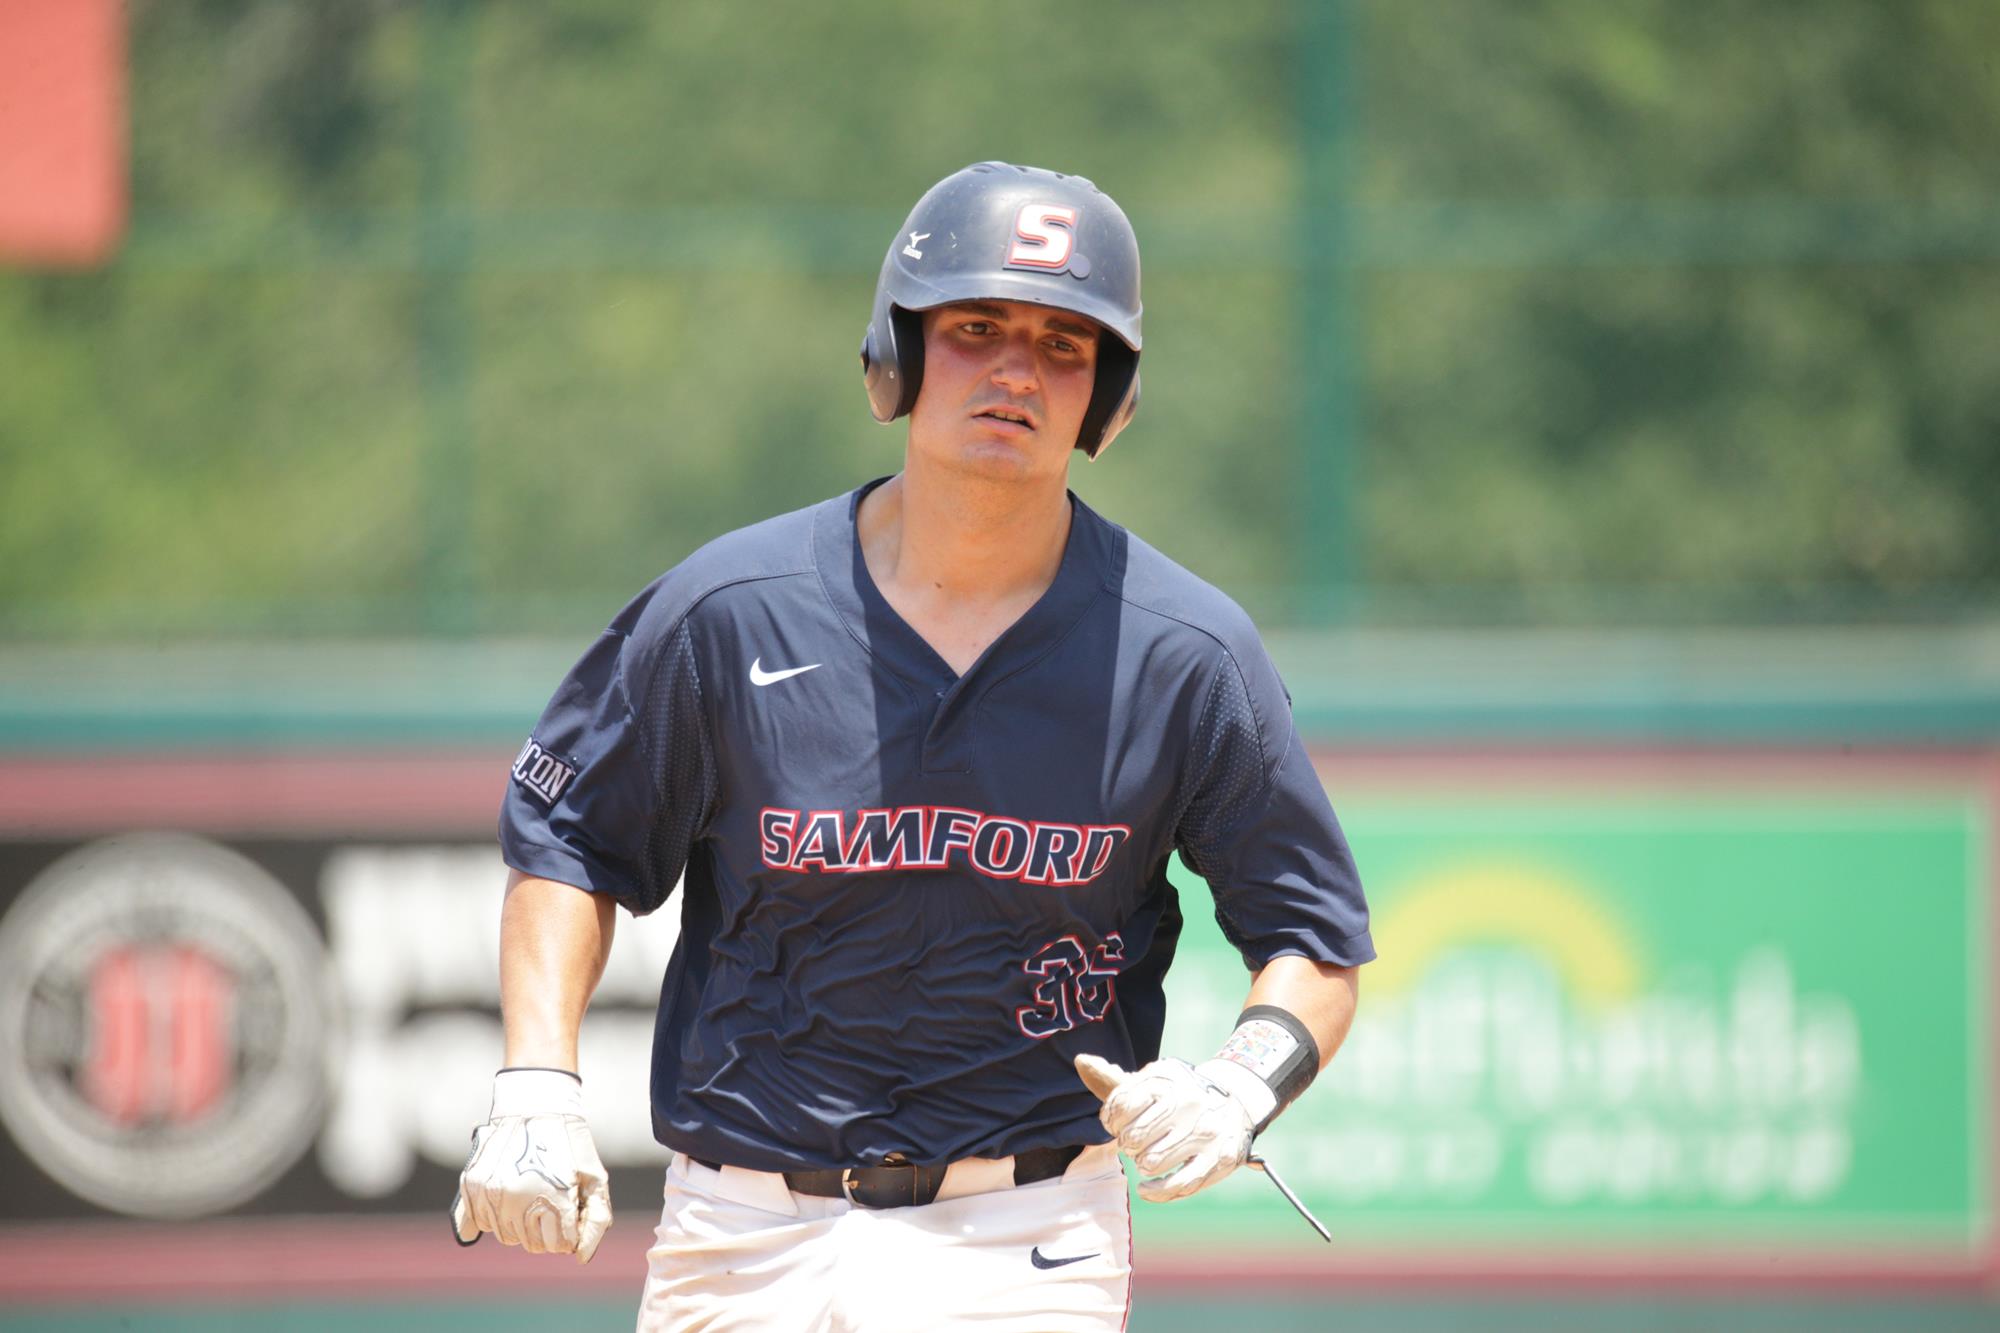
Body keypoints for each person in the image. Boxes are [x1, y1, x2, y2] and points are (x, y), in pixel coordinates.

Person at [452, 161, 1373, 1333]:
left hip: (1024, 1238)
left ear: (1108, 400)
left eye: (1063, 346)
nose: (1015, 372)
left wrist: (1241, 1084)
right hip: (742, 1230)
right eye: (977, 327)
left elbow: (1313, 938)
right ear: (896, 353)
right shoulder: (733, 608)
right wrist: (535, 1080)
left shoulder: (1183, 652)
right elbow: (571, 845)